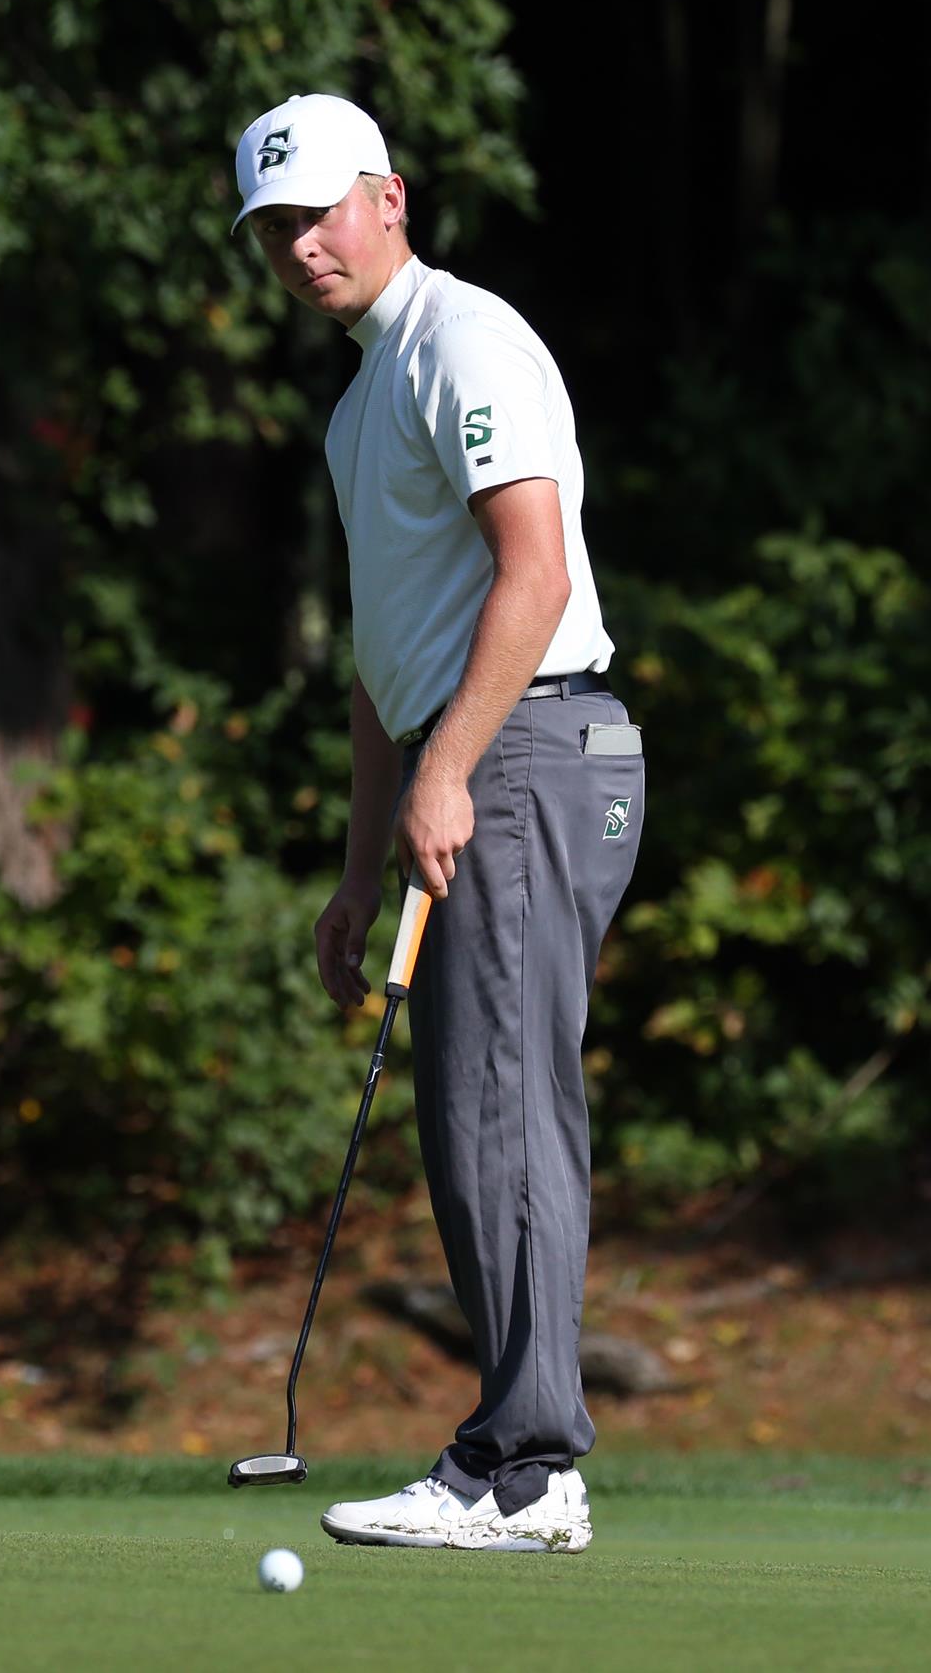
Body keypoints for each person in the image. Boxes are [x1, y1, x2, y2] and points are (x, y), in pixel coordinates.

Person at [230, 93, 647, 1555]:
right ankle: (512, 1455)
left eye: (320, 211)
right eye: (273, 227)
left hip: (531, 744)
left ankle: (530, 1470)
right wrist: (358, 869)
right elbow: (378, 663)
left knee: (501, 1106)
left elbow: (531, 574)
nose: (299, 245)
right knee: (468, 1112)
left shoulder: (462, 339)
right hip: (472, 754)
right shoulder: (360, 405)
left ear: (389, 199)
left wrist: (449, 767)